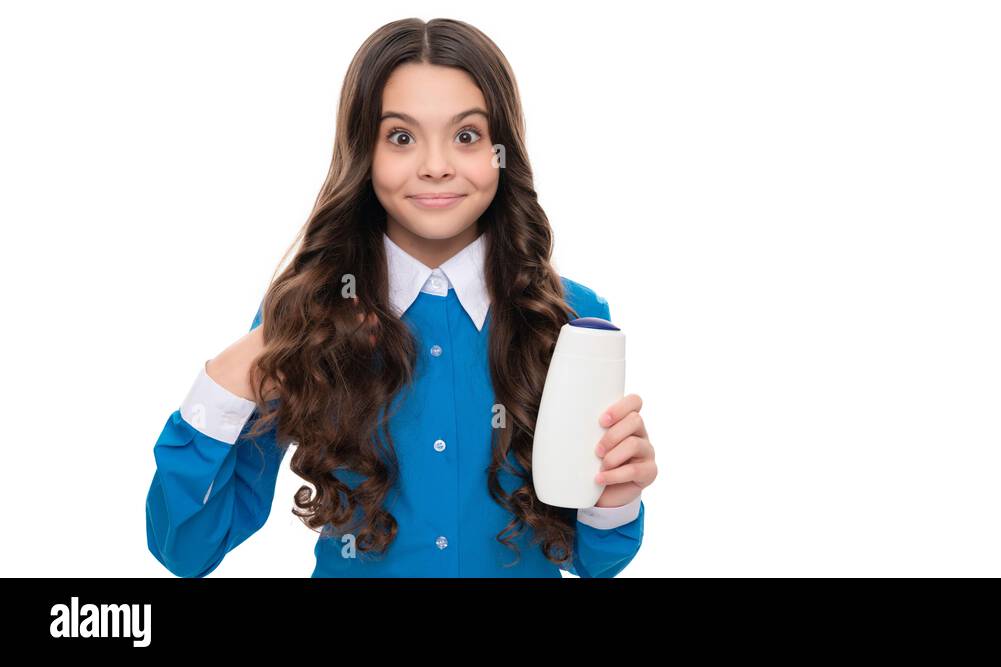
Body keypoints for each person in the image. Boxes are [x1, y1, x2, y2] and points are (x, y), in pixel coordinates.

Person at [145, 17, 656, 577]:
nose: (436, 166)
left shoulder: (571, 319)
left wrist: (614, 497)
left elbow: (594, 560)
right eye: (401, 137)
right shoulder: (304, 316)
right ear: (366, 153)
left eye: (466, 136)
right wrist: (227, 375)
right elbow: (186, 549)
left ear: (500, 150)